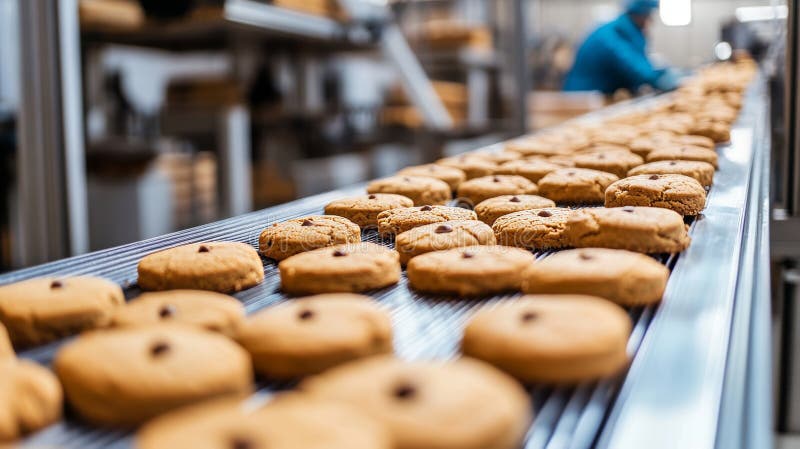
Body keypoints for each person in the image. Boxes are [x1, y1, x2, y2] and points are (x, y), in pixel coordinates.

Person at [563, 0, 679, 94]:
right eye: (648, 15)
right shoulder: (610, 35)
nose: (650, 20)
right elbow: (635, 66)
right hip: (582, 97)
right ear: (639, 14)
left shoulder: (626, 32)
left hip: (597, 94)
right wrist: (662, 79)